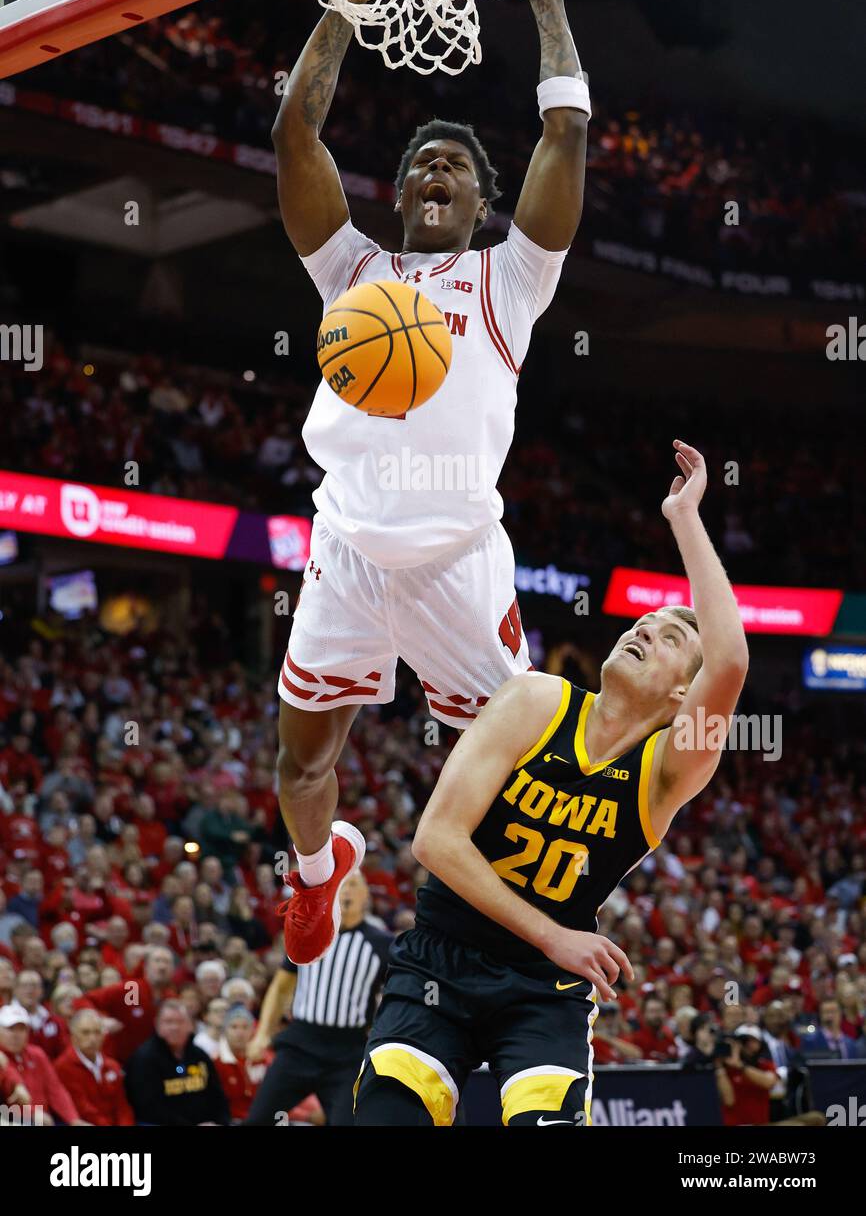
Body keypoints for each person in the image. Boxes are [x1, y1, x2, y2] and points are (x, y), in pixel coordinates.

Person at [270, 0, 590, 964]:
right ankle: (318, 879)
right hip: (350, 549)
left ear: (480, 201)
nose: (433, 169)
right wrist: (344, 8)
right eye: (418, 163)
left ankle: (489, 937)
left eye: (453, 162)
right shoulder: (353, 271)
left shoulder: (507, 282)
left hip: (458, 556)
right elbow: (293, 137)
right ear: (401, 194)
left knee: (506, 766)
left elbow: (566, 137)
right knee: (299, 762)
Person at [355, 442, 750, 1126]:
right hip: (442, 961)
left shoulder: (666, 773)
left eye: (667, 638)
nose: (642, 630)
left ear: (685, 688)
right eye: (642, 623)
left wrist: (683, 516)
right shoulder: (537, 701)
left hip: (543, 991)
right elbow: (436, 839)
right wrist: (552, 935)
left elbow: (732, 660)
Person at [246, 873, 389, 1126]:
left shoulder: (382, 944)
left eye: (354, 884)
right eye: (341, 885)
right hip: (300, 1045)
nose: (346, 891)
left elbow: (395, 995)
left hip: (348, 1054)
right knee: (257, 1120)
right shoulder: (309, 932)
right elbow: (281, 987)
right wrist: (261, 1035)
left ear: (366, 895)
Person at [124, 999, 230, 1126]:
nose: (174, 1027)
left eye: (180, 1022)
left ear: (190, 1025)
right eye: (168, 1022)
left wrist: (220, 1122)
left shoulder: (200, 1056)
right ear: (157, 1025)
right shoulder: (144, 1059)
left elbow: (217, 1096)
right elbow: (149, 1108)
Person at [73, 943, 176, 1062]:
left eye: (167, 962)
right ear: (146, 967)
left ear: (173, 969)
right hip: (122, 1062)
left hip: (155, 1063)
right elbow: (84, 999)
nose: (162, 966)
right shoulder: (132, 989)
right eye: (157, 961)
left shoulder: (171, 997)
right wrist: (100, 1021)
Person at [0, 1001, 84, 1125]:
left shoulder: (37, 1054)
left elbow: (55, 1090)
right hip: (13, 1118)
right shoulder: (1, 1058)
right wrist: (33, 1113)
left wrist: (73, 1119)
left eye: (21, 1029)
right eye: (10, 1029)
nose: (16, 1035)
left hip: (44, 1118)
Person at [54, 1009, 134, 1126]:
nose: (92, 1038)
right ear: (73, 1036)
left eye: (97, 1032)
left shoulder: (112, 1066)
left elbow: (122, 1106)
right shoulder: (63, 1067)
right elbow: (83, 1108)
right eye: (85, 1033)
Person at [715, 1026, 778, 1126]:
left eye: (753, 1041)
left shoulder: (766, 1065)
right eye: (744, 1041)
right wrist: (719, 1066)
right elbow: (729, 1101)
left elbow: (768, 1083)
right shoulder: (725, 1069)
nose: (748, 1045)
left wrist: (740, 1066)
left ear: (761, 1044)